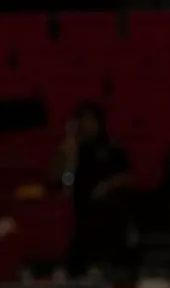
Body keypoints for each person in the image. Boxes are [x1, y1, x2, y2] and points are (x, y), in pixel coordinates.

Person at [54, 102, 131, 277]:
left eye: (90, 120)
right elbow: (55, 175)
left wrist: (107, 186)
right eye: (82, 120)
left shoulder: (112, 147)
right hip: (77, 203)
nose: (86, 124)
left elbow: (127, 176)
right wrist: (66, 151)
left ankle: (102, 264)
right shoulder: (73, 147)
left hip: (104, 204)